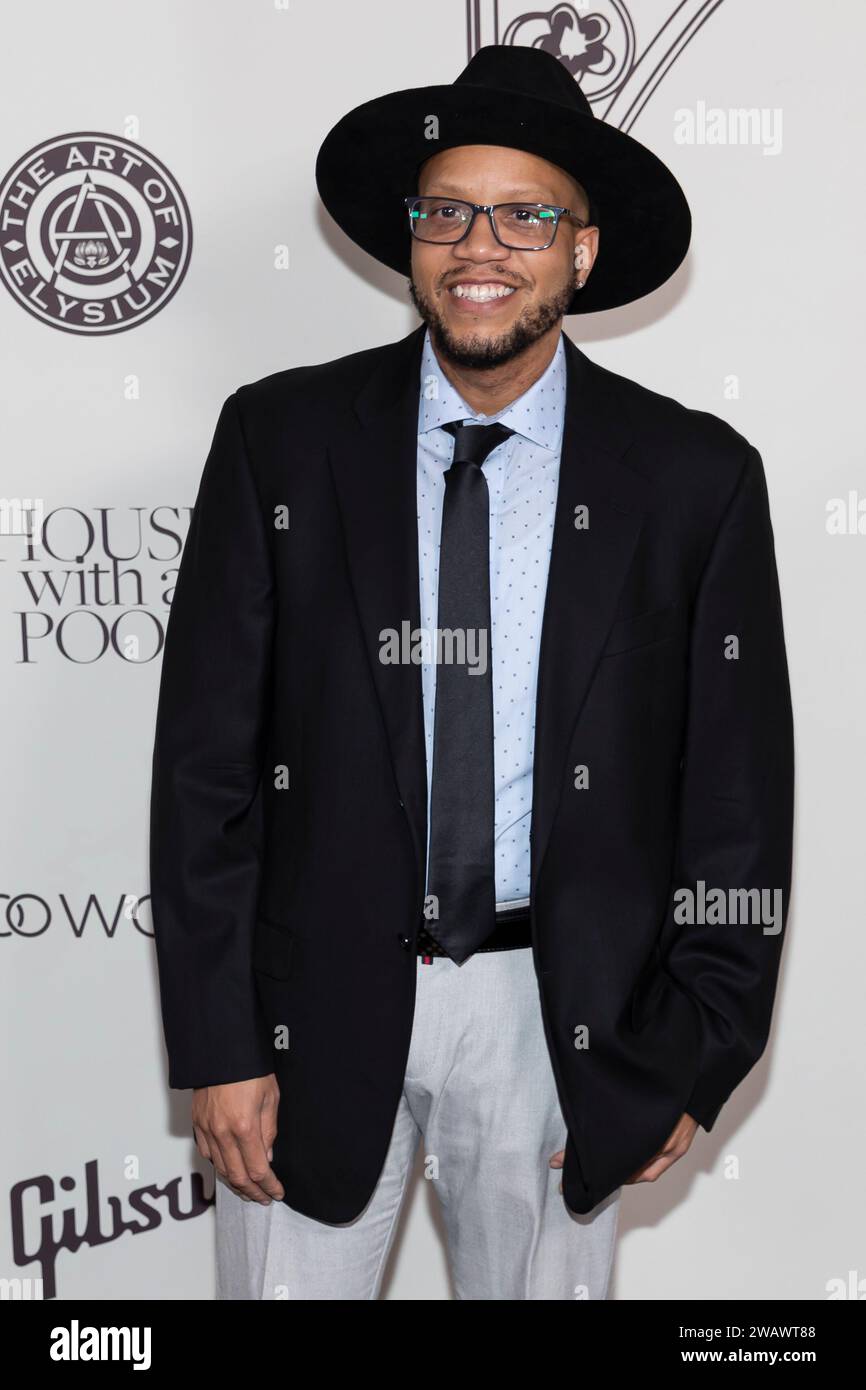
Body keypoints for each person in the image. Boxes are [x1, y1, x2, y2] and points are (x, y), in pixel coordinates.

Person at [149, 44, 794, 1300]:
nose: (477, 246)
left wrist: (692, 1052)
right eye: (445, 210)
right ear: (410, 237)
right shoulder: (278, 439)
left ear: (580, 252)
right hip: (310, 1007)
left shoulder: (693, 479)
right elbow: (204, 768)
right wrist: (220, 1041)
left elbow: (735, 801)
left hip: (561, 1018)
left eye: (523, 214)